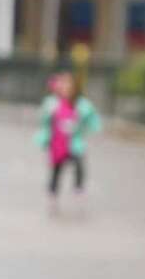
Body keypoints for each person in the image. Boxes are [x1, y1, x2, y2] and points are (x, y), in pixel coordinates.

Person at [35, 71, 101, 213]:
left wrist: (88, 126)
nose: (66, 88)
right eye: (63, 85)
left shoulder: (81, 104)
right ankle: (52, 194)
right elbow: (44, 121)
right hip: (57, 143)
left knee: (79, 163)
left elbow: (92, 118)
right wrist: (45, 136)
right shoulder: (52, 103)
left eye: (68, 86)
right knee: (56, 170)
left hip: (73, 142)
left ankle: (78, 188)